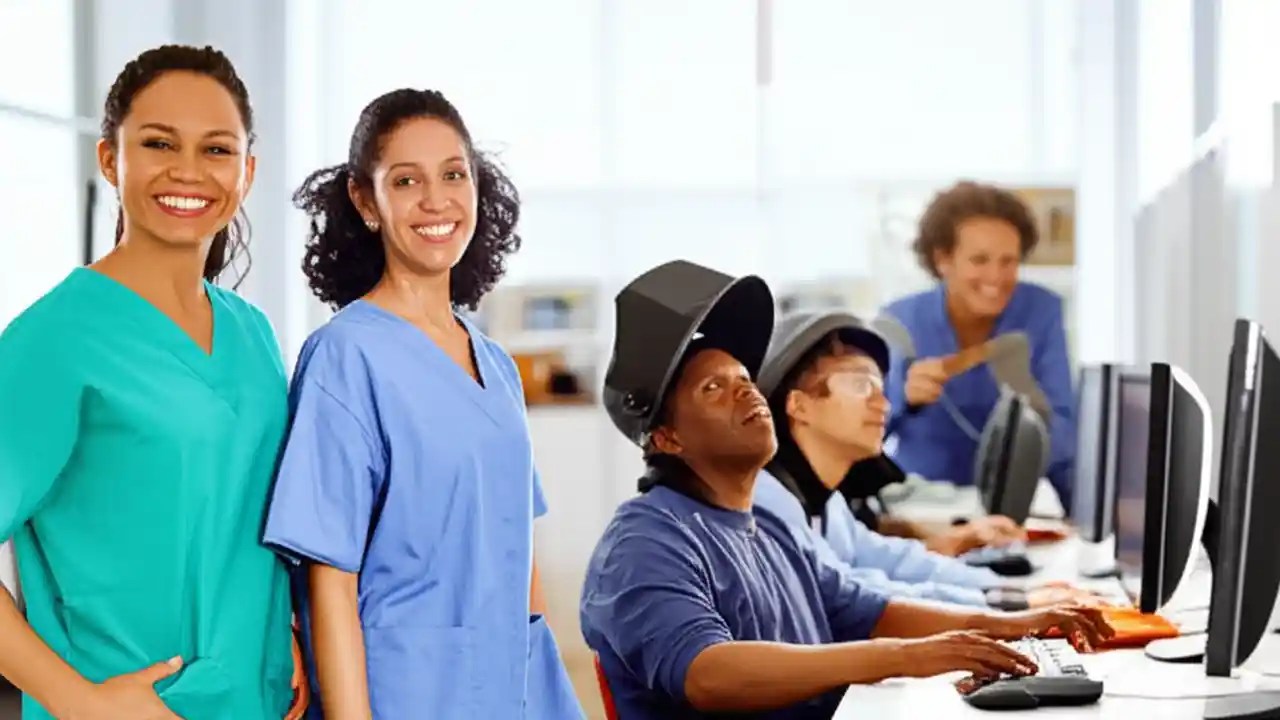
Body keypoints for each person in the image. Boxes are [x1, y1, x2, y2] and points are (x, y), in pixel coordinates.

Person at [580, 259, 1112, 720]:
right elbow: (708, 672)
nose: (746, 390)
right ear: (667, 436)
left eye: (744, 377)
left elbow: (870, 608)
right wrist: (905, 656)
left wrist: (1011, 623)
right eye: (715, 388)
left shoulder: (760, 525)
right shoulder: (645, 543)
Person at [261, 88, 582, 719]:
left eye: (454, 174)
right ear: (365, 200)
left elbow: (520, 553)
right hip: (405, 693)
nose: (436, 200)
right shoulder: (345, 356)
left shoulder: (495, 364)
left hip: (515, 687)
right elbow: (331, 578)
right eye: (406, 180)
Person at [0, 45, 299, 719]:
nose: (189, 171)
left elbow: (243, 515)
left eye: (217, 150)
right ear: (110, 158)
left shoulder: (252, 333)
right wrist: (75, 700)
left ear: (247, 171)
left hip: (260, 698)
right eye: (160, 143)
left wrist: (278, 631)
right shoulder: (55, 339)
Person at [754, 309, 1095, 610]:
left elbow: (896, 563)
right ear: (798, 405)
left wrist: (1004, 589)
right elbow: (857, 592)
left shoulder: (827, 505)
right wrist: (1008, 602)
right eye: (860, 384)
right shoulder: (770, 507)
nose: (884, 404)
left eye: (880, 387)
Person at [881, 180, 1077, 512]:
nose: (996, 277)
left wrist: (1086, 526)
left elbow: (1065, 430)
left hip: (1013, 507)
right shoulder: (901, 321)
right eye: (979, 260)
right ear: (943, 259)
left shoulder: (1041, 311)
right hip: (923, 508)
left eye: (1009, 261)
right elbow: (862, 432)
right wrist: (904, 397)